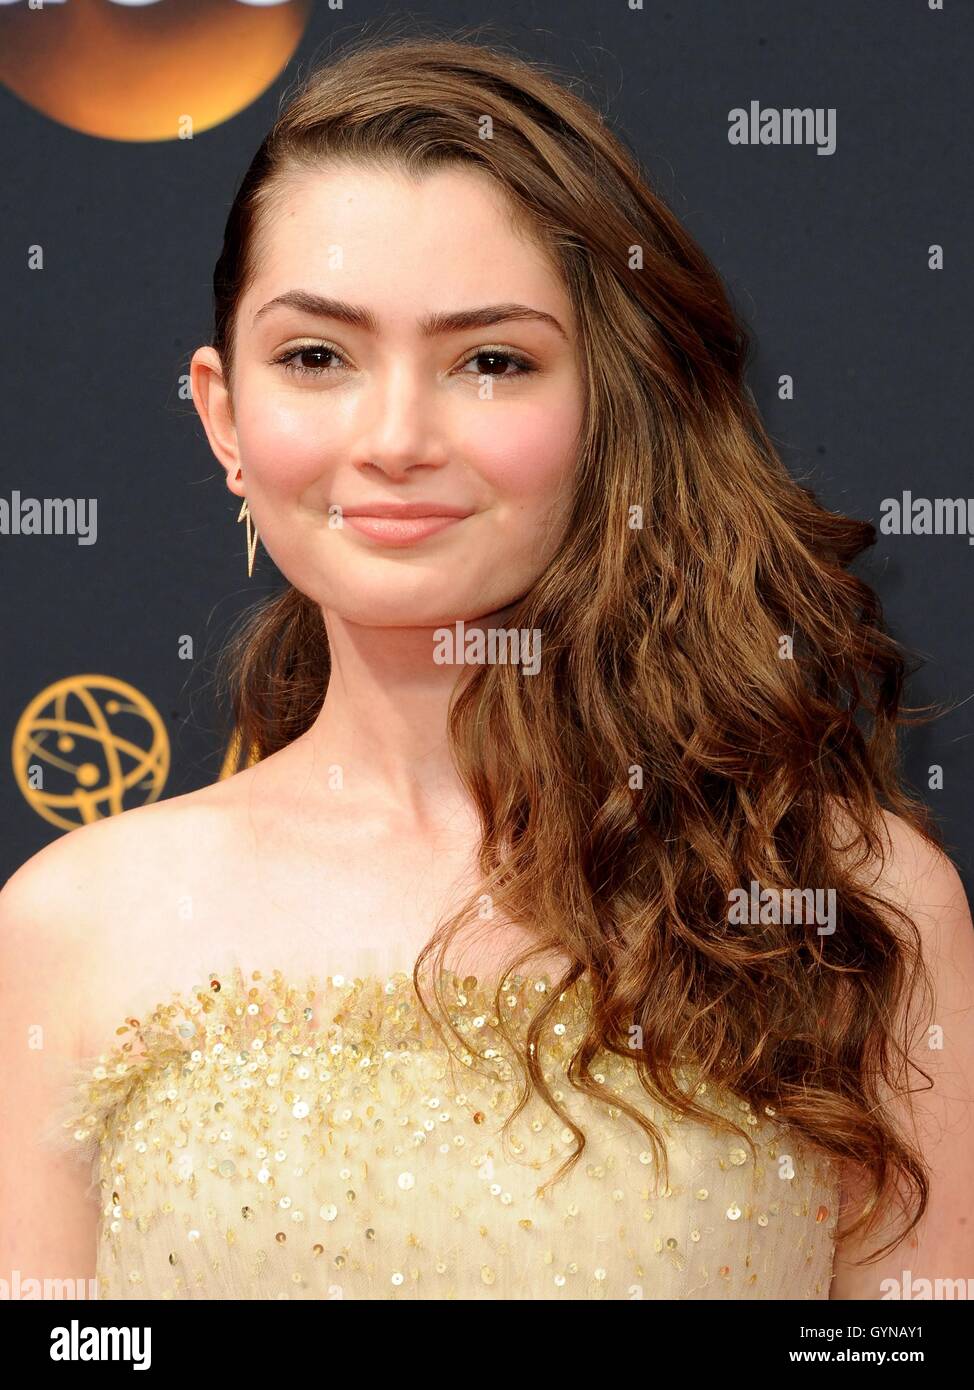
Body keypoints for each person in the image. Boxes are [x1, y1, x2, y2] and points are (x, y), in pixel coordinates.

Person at [1, 33, 971, 1302]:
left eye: (490, 361)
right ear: (224, 414)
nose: (395, 438)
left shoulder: (841, 897)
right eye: (316, 357)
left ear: (609, 407)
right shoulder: (69, 928)